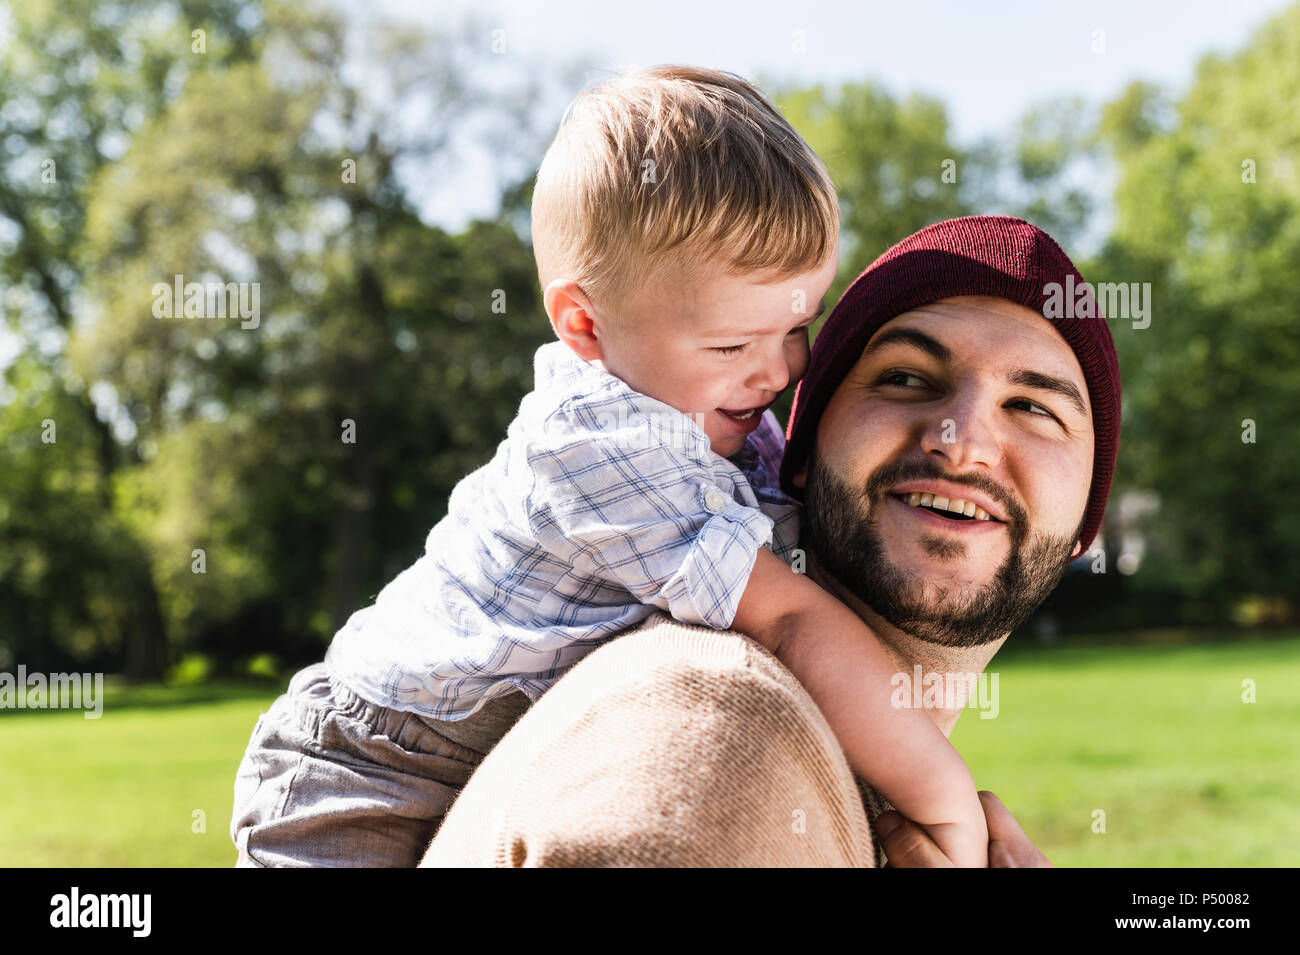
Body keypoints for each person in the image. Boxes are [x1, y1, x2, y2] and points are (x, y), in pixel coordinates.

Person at [230, 65, 989, 867]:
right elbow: (791, 618)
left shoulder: (720, 411)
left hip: (502, 749)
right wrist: (941, 793)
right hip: (368, 769)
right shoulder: (597, 443)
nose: (777, 372)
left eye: (796, 328)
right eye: (733, 345)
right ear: (585, 325)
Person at [420, 214, 1121, 867]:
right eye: (906, 377)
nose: (962, 440)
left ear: (1087, 516)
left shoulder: (816, 762)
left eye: (1032, 406)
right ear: (801, 448)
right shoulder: (717, 737)